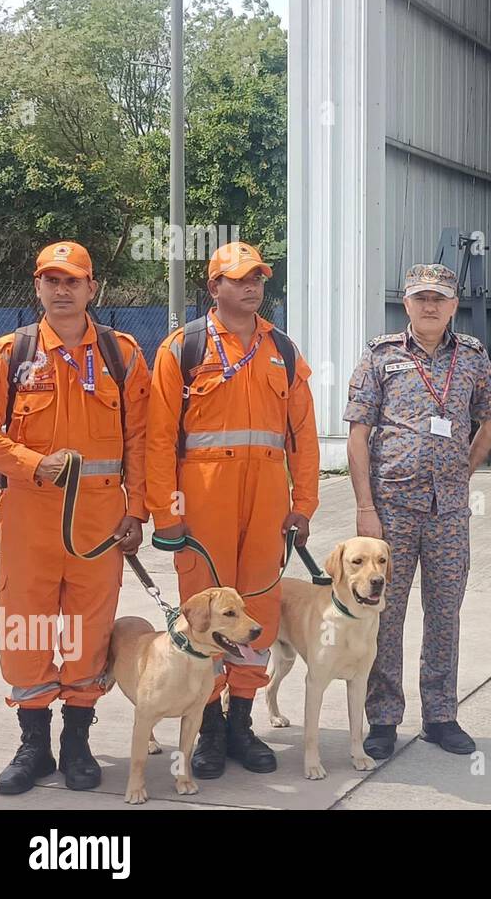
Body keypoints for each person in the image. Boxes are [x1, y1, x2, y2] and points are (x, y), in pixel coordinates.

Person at [0, 240, 149, 794]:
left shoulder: (122, 354)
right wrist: (33, 463)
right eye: (51, 280)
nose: (62, 289)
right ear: (37, 287)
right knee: (26, 629)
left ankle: (77, 742)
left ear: (90, 288)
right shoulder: (10, 353)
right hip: (29, 518)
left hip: (99, 524)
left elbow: (141, 440)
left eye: (72, 280)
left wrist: (138, 509)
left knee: (87, 630)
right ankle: (34, 746)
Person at [147, 241, 320, 778]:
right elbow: (157, 440)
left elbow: (304, 437)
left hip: (267, 501)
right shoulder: (184, 347)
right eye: (239, 279)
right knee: (204, 613)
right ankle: (208, 728)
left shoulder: (283, 350)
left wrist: (304, 503)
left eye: (258, 279)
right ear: (213, 285)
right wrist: (167, 514)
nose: (251, 287)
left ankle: (241, 720)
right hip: (202, 503)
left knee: (258, 610)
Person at [345, 263, 491, 758]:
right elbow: (357, 433)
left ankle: (440, 715)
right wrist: (365, 506)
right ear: (406, 304)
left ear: (454, 304)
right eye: (420, 298)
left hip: (449, 512)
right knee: (384, 616)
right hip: (391, 508)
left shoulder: (473, 357)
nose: (430, 306)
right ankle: (384, 719)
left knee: (444, 615)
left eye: (439, 298)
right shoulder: (381, 355)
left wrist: (464, 470)